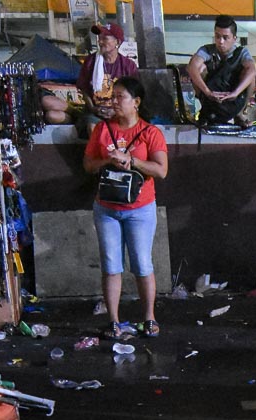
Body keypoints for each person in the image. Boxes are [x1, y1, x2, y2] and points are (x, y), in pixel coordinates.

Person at [82, 76, 169, 340]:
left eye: (120, 97)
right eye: (113, 96)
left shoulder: (151, 133)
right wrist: (107, 160)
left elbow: (161, 170)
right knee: (111, 265)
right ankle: (114, 321)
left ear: (137, 102)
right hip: (106, 207)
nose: (114, 102)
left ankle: (150, 318)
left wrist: (131, 161)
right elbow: (87, 165)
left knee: (142, 264)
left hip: (140, 208)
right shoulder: (102, 130)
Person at [189, 16, 256, 128]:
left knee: (250, 76)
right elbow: (192, 68)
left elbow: (252, 70)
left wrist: (235, 93)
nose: (220, 42)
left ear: (234, 38)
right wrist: (208, 92)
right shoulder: (206, 50)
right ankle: (205, 111)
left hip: (233, 93)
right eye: (217, 37)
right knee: (199, 68)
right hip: (211, 93)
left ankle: (240, 114)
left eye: (225, 38)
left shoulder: (241, 52)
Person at [77, 23, 139, 137]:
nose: (100, 42)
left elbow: (134, 95)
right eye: (99, 38)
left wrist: (116, 111)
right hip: (95, 112)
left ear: (117, 42)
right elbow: (84, 89)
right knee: (93, 127)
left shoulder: (128, 66)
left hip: (121, 112)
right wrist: (93, 109)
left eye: (105, 38)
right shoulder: (90, 62)